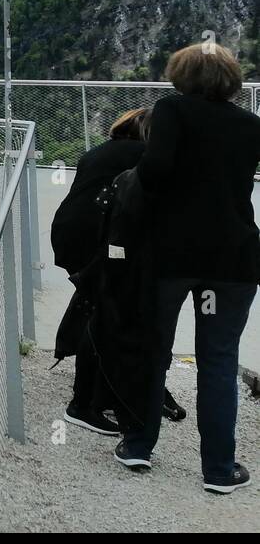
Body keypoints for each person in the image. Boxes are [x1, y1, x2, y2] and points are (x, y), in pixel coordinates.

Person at [115, 43, 260, 494]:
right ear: (231, 80)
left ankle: (138, 444)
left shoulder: (172, 111)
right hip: (232, 258)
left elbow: (155, 172)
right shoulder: (251, 124)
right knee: (217, 359)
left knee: (154, 347)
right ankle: (219, 470)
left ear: (182, 75)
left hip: (172, 255)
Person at [51, 108, 185, 435]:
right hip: (96, 238)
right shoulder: (143, 156)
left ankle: (110, 391)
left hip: (69, 232)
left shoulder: (99, 151)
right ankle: (85, 405)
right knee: (106, 315)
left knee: (98, 305)